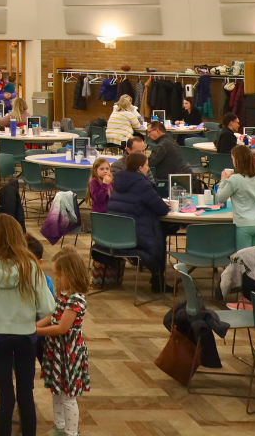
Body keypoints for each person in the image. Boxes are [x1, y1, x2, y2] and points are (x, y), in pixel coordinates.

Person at [0, 217, 53, 436]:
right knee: (26, 395)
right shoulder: (31, 265)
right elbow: (47, 306)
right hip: (25, 335)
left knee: (5, 396)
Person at [36, 251, 93, 436]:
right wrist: (35, 325)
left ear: (70, 274)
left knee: (68, 397)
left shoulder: (76, 300)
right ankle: (59, 427)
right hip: (57, 350)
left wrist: (35, 331)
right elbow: (52, 315)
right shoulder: (64, 295)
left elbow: (61, 328)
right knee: (56, 391)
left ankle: (71, 432)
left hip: (68, 352)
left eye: (59, 274)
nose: (56, 278)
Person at [106, 153, 171, 292]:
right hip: (136, 237)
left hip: (113, 235)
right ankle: (158, 280)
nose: (148, 168)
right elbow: (162, 208)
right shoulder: (142, 184)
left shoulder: (117, 182)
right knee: (161, 233)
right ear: (140, 168)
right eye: (147, 165)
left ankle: (158, 279)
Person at [214, 145, 255, 251]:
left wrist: (223, 180)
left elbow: (220, 198)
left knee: (244, 259)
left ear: (237, 160)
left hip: (244, 225)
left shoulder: (234, 179)